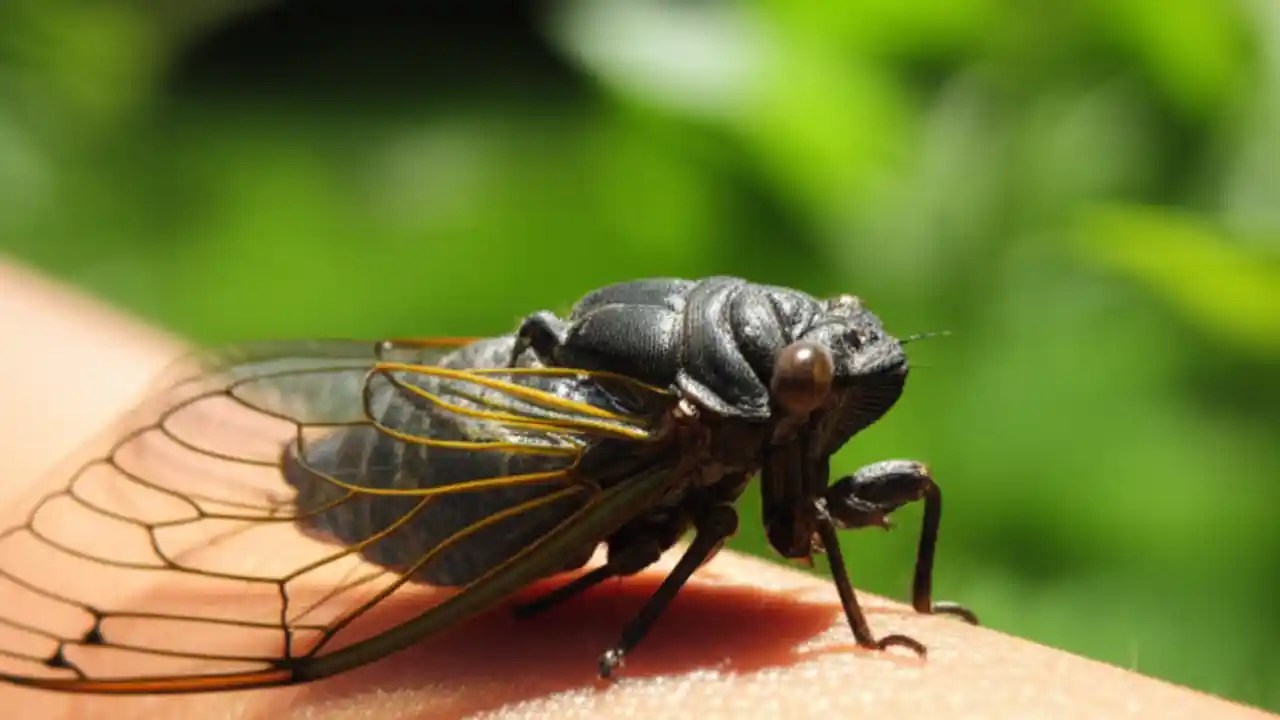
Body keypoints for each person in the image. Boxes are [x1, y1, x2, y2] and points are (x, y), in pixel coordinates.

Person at [0, 260, 1263, 719]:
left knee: (914, 483)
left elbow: (756, 515)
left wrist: (897, 616)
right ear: (773, 383)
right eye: (822, 373)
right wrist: (618, 635)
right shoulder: (684, 427)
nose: (842, 389)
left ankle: (903, 618)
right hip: (445, 487)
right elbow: (698, 536)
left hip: (591, 424)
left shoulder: (766, 394)